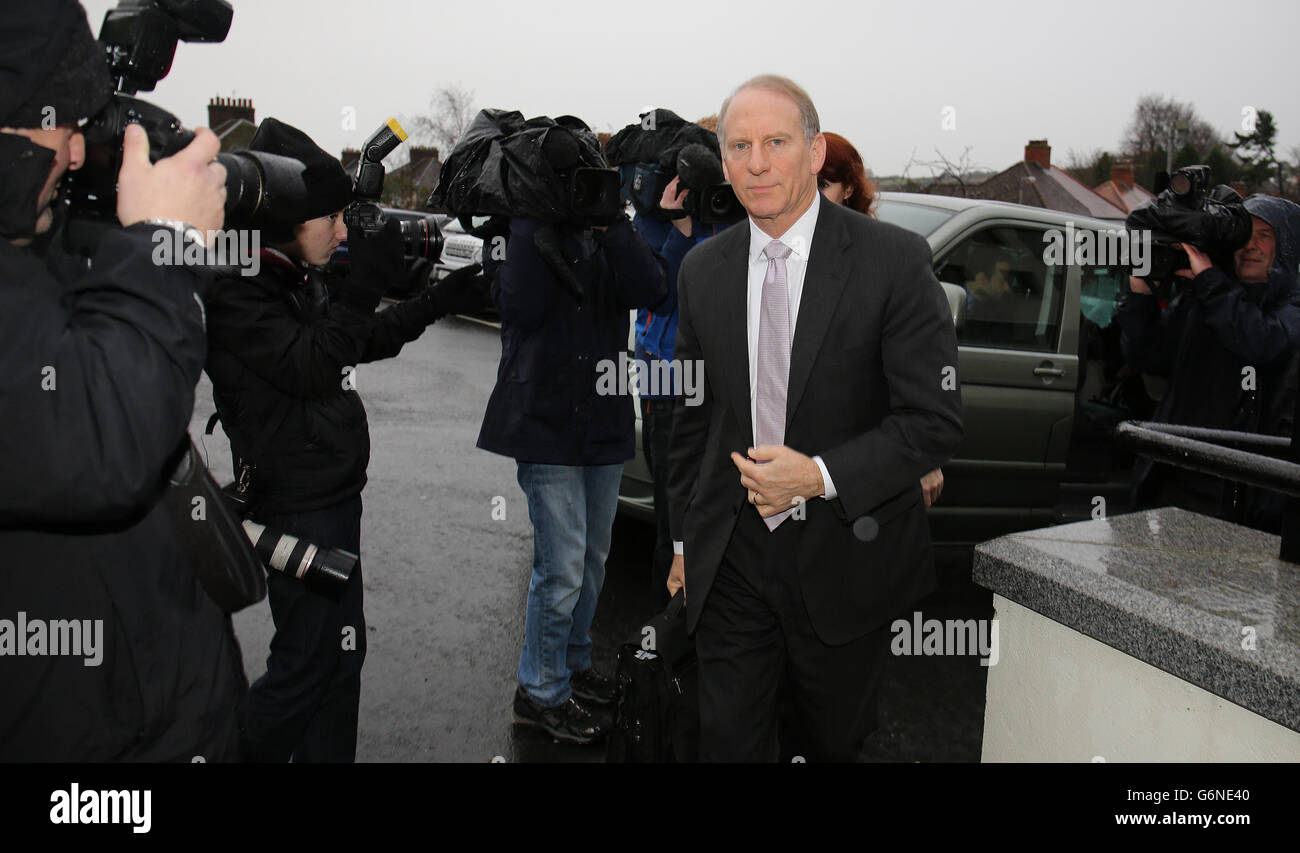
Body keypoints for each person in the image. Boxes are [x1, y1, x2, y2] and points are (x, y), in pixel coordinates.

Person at [666, 75, 963, 762]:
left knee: (828, 744)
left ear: (815, 148)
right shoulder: (703, 270)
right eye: (739, 145)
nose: (758, 162)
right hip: (733, 557)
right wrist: (683, 543)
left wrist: (821, 476)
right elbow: (691, 418)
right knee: (726, 741)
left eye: (776, 142)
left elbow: (935, 419)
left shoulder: (891, 261)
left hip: (845, 554)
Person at [0, 0, 247, 760]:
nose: (75, 156)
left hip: (158, 711)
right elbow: (102, 435)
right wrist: (163, 244)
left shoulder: (35, 251)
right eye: (58, 127)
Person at [204, 118, 479, 762]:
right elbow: (313, 365)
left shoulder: (291, 272)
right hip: (293, 503)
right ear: (284, 221)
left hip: (330, 494)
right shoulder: (241, 288)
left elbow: (361, 341)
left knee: (342, 652)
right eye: (327, 217)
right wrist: (365, 284)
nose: (342, 228)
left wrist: (441, 299)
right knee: (305, 662)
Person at [478, 176, 667, 744]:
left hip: (603, 424)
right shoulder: (520, 232)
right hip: (545, 425)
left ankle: (573, 665)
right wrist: (533, 217)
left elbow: (651, 287)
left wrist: (614, 223)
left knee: (591, 562)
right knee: (559, 570)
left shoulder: (605, 233)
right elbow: (523, 307)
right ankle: (539, 693)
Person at [1118, 194, 1300, 532]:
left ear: (1286, 247)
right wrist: (1140, 293)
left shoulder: (1289, 310)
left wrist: (1210, 282)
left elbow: (1262, 343)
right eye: (1244, 234)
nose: (1251, 246)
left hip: (1235, 497)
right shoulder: (1207, 296)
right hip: (1170, 475)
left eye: (1265, 235)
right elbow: (1147, 355)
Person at [819, 131, 943, 508]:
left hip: (869, 462)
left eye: (823, 183)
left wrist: (922, 459)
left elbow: (918, 374)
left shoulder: (891, 259)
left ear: (849, 189)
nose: (808, 194)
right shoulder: (771, 254)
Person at [633, 165, 727, 612]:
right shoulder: (652, 221)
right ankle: (662, 639)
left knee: (714, 521)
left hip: (720, 392)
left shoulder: (730, 217)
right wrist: (681, 229)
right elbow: (662, 296)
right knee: (674, 525)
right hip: (668, 389)